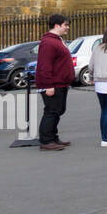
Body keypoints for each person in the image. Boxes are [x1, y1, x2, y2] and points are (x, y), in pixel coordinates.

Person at [35, 14, 74, 150]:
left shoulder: (56, 40)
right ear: (57, 25)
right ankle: (46, 141)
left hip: (60, 83)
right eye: (65, 25)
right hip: (53, 84)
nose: (67, 28)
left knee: (58, 110)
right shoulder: (48, 42)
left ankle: (53, 137)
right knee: (51, 111)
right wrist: (48, 85)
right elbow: (45, 65)